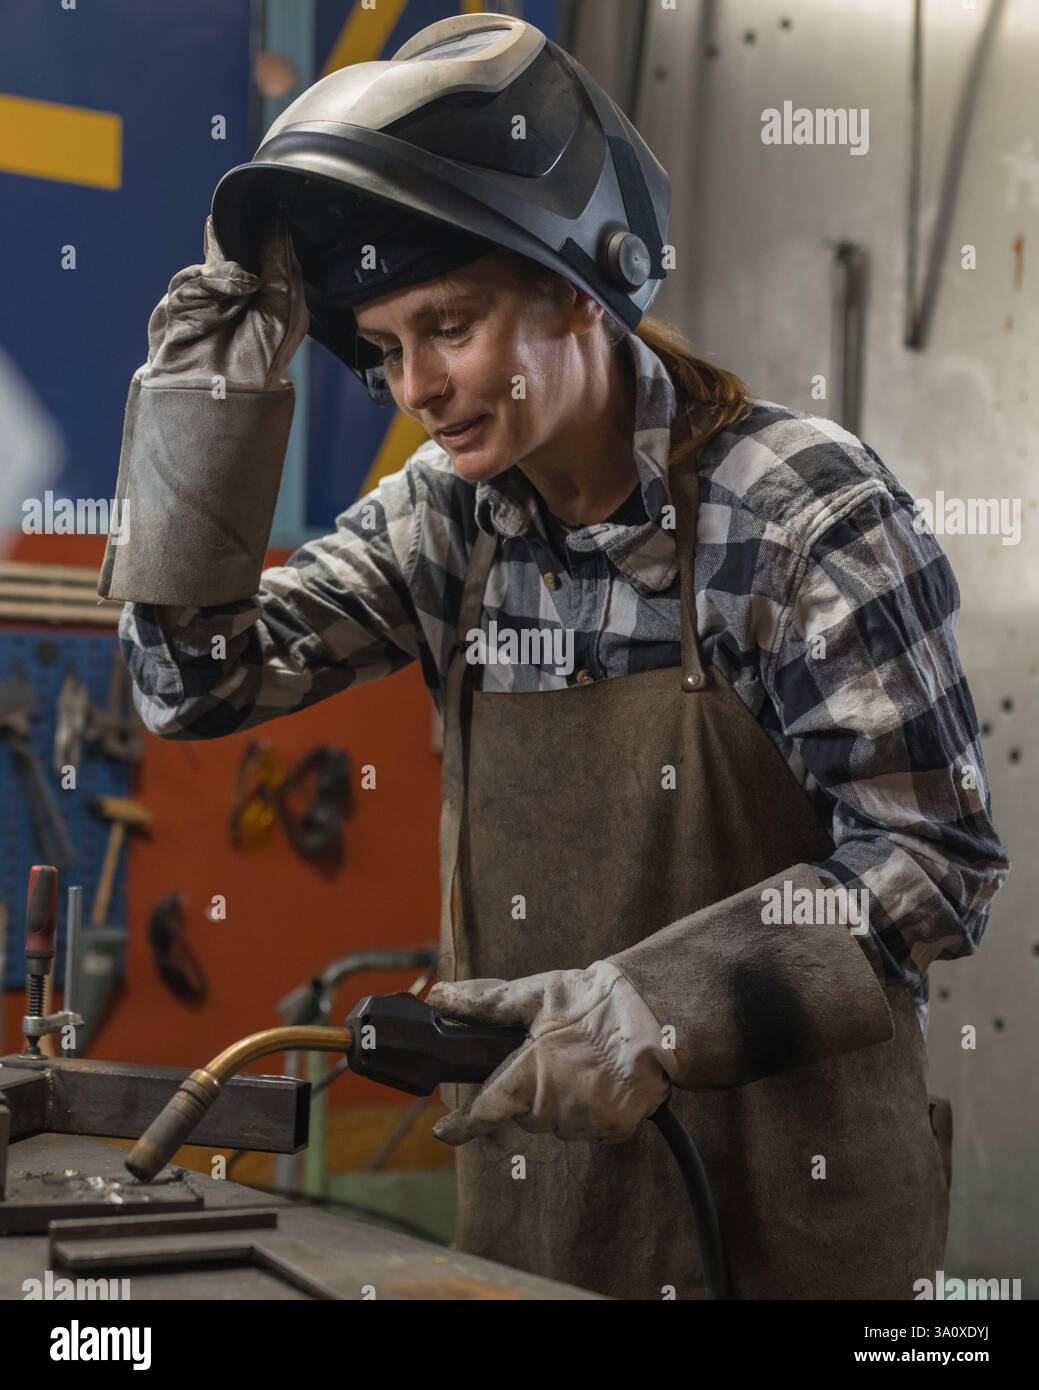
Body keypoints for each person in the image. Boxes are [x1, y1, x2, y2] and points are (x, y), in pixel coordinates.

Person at [98, 14, 1009, 1300]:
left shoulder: (798, 508)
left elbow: (933, 862)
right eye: (385, 346)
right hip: (544, 1228)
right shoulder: (447, 523)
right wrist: (200, 412)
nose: (416, 382)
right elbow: (190, 685)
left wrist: (652, 1006)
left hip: (794, 1226)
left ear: (579, 284)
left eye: (450, 325)